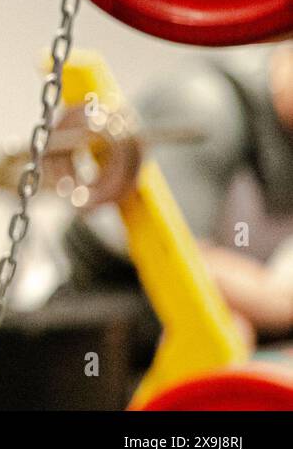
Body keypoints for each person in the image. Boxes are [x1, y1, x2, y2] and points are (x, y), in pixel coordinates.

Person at [57, 44, 293, 355]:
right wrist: (277, 300)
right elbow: (177, 258)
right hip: (102, 319)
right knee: (228, 334)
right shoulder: (207, 104)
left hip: (199, 318)